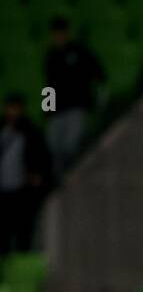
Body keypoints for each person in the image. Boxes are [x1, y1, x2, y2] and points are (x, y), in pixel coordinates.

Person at [43, 16, 104, 175]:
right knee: (54, 147)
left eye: (61, 32)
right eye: (55, 33)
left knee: (71, 146)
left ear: (66, 33)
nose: (58, 36)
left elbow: (98, 74)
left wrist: (90, 99)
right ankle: (59, 185)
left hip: (77, 107)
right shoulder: (50, 55)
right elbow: (48, 84)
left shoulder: (79, 51)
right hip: (57, 110)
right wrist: (47, 109)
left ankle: (74, 178)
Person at [0, 92, 51, 256]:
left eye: (15, 108)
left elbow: (41, 157)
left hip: (22, 190)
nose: (12, 112)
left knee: (23, 231)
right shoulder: (2, 129)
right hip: (3, 189)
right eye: (10, 108)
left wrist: (36, 176)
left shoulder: (31, 132)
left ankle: (20, 269)